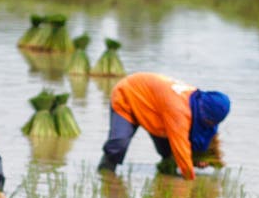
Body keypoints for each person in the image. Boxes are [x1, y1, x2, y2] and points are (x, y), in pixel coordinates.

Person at [97, 72, 230, 180]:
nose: (210, 125)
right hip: (127, 96)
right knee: (118, 144)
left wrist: (198, 158)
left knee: (167, 153)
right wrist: (190, 181)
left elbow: (198, 137)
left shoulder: (197, 101)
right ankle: (105, 176)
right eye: (209, 121)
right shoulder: (179, 111)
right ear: (205, 112)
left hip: (154, 110)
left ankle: (165, 174)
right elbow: (181, 148)